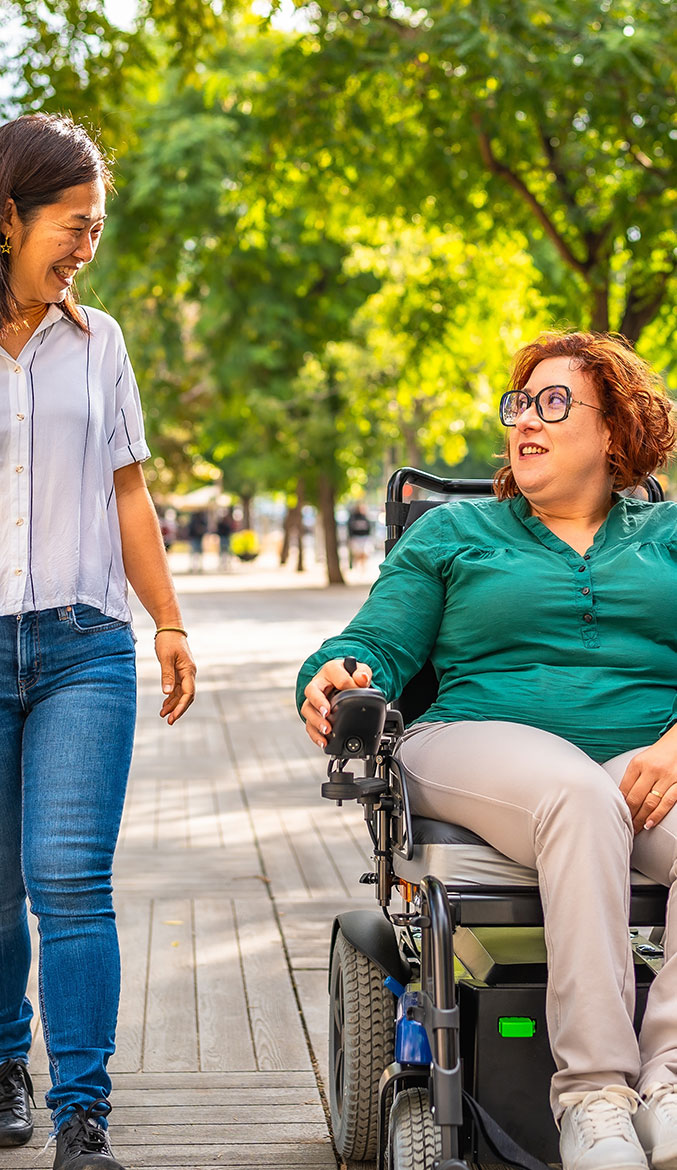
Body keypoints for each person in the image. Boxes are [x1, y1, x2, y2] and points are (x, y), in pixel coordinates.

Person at [297, 331, 677, 1170]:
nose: (525, 422)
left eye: (553, 403)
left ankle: (670, 1083)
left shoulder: (670, 533)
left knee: (605, 800)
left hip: (643, 762)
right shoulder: (455, 533)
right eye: (518, 404)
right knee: (574, 796)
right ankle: (592, 1099)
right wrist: (335, 674)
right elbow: (374, 646)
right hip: (474, 748)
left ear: (613, 431)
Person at [0, 114, 196, 1170]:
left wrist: (166, 621)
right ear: (8, 216)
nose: (85, 247)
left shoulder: (101, 340)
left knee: (70, 879)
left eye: (96, 229)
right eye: (71, 225)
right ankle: (2, 1068)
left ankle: (84, 1112)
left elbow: (130, 491)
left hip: (82, 644)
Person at [346, 502, 372, 572]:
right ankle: (356, 568)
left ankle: (363, 568)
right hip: (356, 538)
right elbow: (350, 529)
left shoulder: (365, 517)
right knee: (356, 554)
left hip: (364, 538)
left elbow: (369, 528)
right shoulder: (352, 518)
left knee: (364, 554)